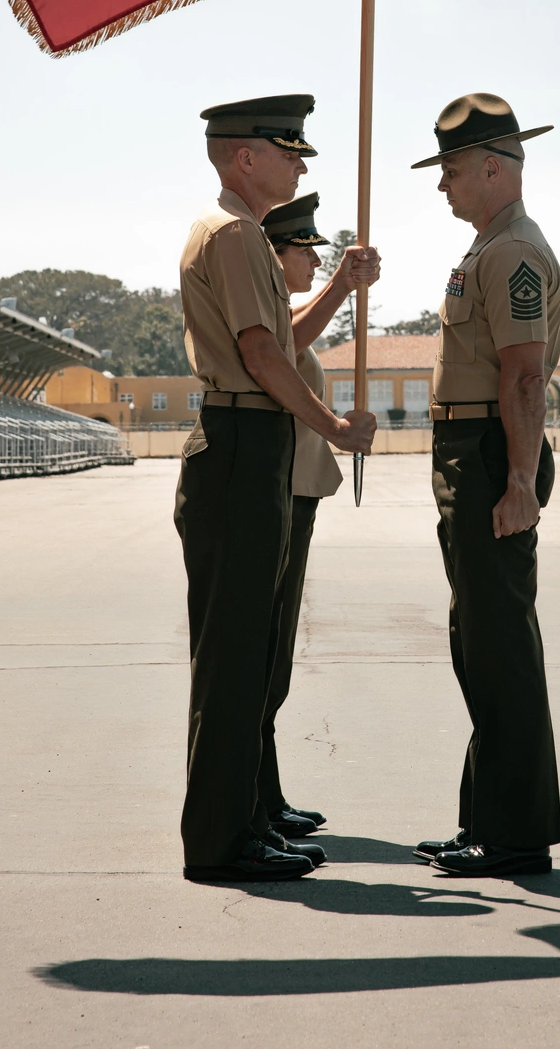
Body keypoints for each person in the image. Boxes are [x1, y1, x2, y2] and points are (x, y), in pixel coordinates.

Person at [175, 94, 377, 884]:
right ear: (243, 157)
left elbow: (275, 340)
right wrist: (331, 426)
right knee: (235, 659)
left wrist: (337, 295)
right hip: (241, 442)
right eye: (288, 150)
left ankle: (246, 822)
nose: (300, 162)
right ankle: (224, 840)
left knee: (250, 654)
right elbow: (262, 354)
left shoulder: (240, 234)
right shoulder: (232, 235)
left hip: (247, 444)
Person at [409, 92, 560, 879]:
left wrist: (518, 480)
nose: (442, 185)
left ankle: (515, 836)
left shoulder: (512, 254)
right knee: (480, 642)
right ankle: (489, 823)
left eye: (453, 168)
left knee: (498, 645)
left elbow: (525, 377)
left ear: (495, 168)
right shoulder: (489, 247)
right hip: (471, 451)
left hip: (489, 453)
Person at [259, 192, 382, 840]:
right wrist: (343, 283)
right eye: (302, 249)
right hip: (279, 493)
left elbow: (300, 322)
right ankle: (258, 799)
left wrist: (338, 286)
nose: (312, 258)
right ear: (274, 256)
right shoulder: (268, 313)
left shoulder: (283, 306)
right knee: (264, 654)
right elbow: (288, 339)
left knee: (275, 658)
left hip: (298, 493)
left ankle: (267, 795)